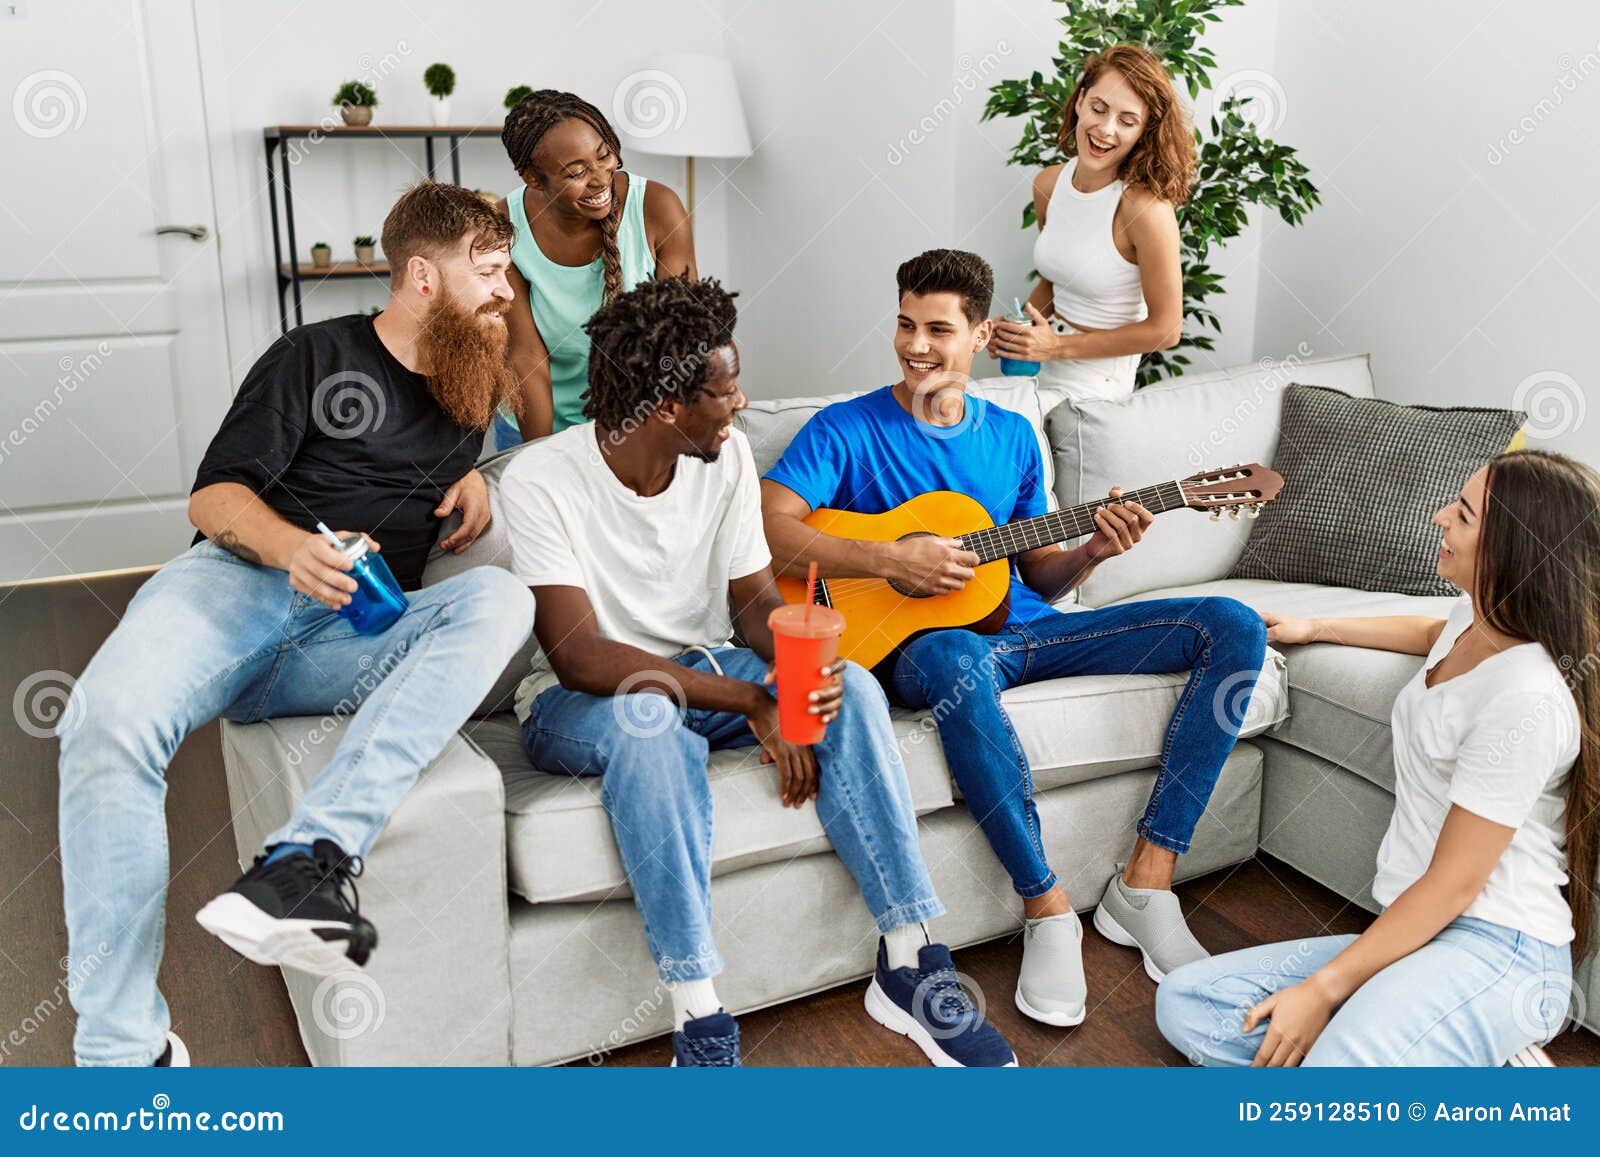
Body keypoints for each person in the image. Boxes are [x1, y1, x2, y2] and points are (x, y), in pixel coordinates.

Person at [56, 181, 536, 1067]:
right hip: (237, 589)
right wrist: (289, 550)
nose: (508, 290)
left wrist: (485, 476)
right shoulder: (315, 356)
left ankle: (307, 862)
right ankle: (122, 1052)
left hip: (354, 632)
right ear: (424, 278)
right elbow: (213, 496)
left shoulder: (474, 386)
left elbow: (523, 439)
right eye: (491, 271)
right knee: (103, 723)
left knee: (505, 599)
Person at [498, 274, 1015, 1067]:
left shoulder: (726, 454)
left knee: (858, 690)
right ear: (669, 405)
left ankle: (908, 960)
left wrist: (805, 673)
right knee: (653, 731)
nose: (741, 403)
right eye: (725, 388)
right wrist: (751, 700)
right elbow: (580, 654)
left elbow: (747, 605)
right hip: (583, 697)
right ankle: (700, 1019)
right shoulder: (542, 479)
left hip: (708, 658)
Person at [761, 248, 1267, 1029]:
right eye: (904, 324)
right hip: (933, 653)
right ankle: (1047, 905)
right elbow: (768, 527)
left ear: (981, 334)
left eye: (937, 329)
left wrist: (1094, 547)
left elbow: (1039, 573)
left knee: (1230, 625)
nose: (916, 346)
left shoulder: (1011, 436)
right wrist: (886, 557)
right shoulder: (846, 429)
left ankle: (1149, 881)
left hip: (1030, 633)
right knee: (955, 651)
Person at [1157, 451, 1599, 1066]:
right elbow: (1427, 632)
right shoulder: (1478, 617)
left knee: (1330, 1062)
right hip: (1421, 936)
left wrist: (1323, 990)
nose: (1441, 516)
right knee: (1190, 1001)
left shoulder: (1525, 697)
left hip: (1498, 950)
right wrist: (1315, 628)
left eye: (1464, 515)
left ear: (1511, 553)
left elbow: (1454, 883)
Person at [491, 89, 696, 451]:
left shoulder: (657, 207)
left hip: (638, 419)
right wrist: (541, 456)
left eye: (604, 157)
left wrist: (651, 434)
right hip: (538, 423)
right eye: (577, 172)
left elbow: (679, 335)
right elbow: (525, 355)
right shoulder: (504, 225)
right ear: (533, 179)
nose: (600, 178)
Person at [988, 43, 1190, 401]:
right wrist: (1019, 333)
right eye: (1099, 108)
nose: (1106, 130)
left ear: (1144, 131)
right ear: (1080, 101)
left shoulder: (1145, 211)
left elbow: (1167, 330)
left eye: (1127, 121)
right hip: (1041, 362)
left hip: (1098, 382)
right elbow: (1054, 281)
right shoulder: (1049, 183)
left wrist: (1057, 347)